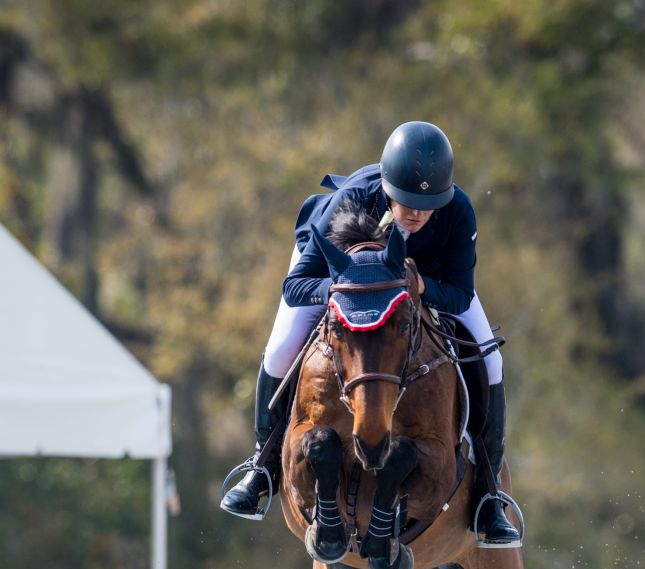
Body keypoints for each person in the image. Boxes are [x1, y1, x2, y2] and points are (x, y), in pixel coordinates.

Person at [219, 120, 521, 547]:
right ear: (385, 188)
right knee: (282, 347)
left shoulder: (457, 212)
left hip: (425, 280)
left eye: (427, 204)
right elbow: (297, 285)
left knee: (491, 359)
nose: (416, 213)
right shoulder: (350, 202)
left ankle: (489, 496)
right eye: (405, 202)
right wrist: (345, 289)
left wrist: (421, 288)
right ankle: (262, 467)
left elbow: (458, 293)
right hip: (336, 276)